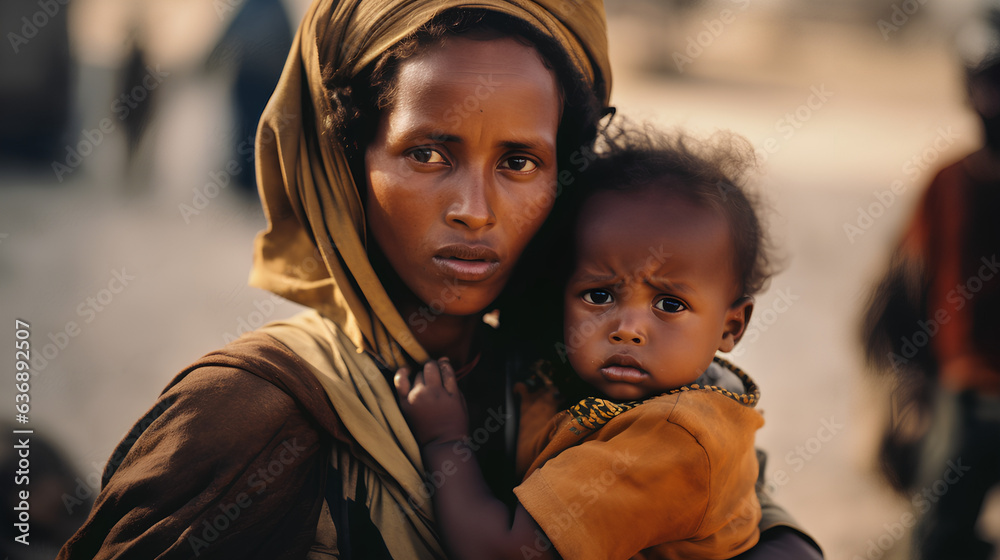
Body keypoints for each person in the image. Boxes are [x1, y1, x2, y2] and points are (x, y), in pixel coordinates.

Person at [58, 1, 821, 558]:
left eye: (520, 163)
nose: (475, 211)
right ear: (345, 161)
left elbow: (735, 494)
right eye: (428, 153)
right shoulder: (251, 408)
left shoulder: (577, 370)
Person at [394, 129, 770, 559]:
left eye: (669, 303)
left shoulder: (676, 437)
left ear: (731, 326)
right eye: (599, 295)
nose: (628, 329)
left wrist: (445, 440)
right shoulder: (569, 373)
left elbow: (500, 552)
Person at [861, 35, 1000, 560]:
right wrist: (909, 384)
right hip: (962, 393)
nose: (995, 99)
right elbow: (901, 293)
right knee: (937, 538)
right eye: (987, 82)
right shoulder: (947, 182)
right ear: (968, 89)